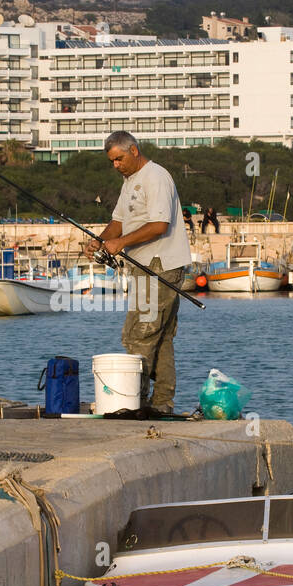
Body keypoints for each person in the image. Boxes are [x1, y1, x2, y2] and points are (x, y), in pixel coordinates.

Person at [87, 131, 191, 415]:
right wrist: (100, 241)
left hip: (160, 266)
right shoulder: (129, 182)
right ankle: (162, 404)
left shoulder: (156, 177)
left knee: (139, 335)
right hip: (143, 268)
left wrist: (120, 243)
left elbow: (159, 224)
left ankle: (137, 401)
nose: (116, 165)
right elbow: (119, 221)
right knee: (161, 336)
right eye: (112, 161)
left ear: (134, 150)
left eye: (119, 159)